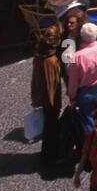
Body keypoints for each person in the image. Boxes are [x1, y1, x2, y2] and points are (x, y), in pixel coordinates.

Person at [32, 24, 64, 171]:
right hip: (50, 100)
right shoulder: (50, 61)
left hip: (43, 98)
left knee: (49, 127)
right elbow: (50, 84)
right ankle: (49, 157)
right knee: (51, 127)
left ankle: (49, 155)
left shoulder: (39, 53)